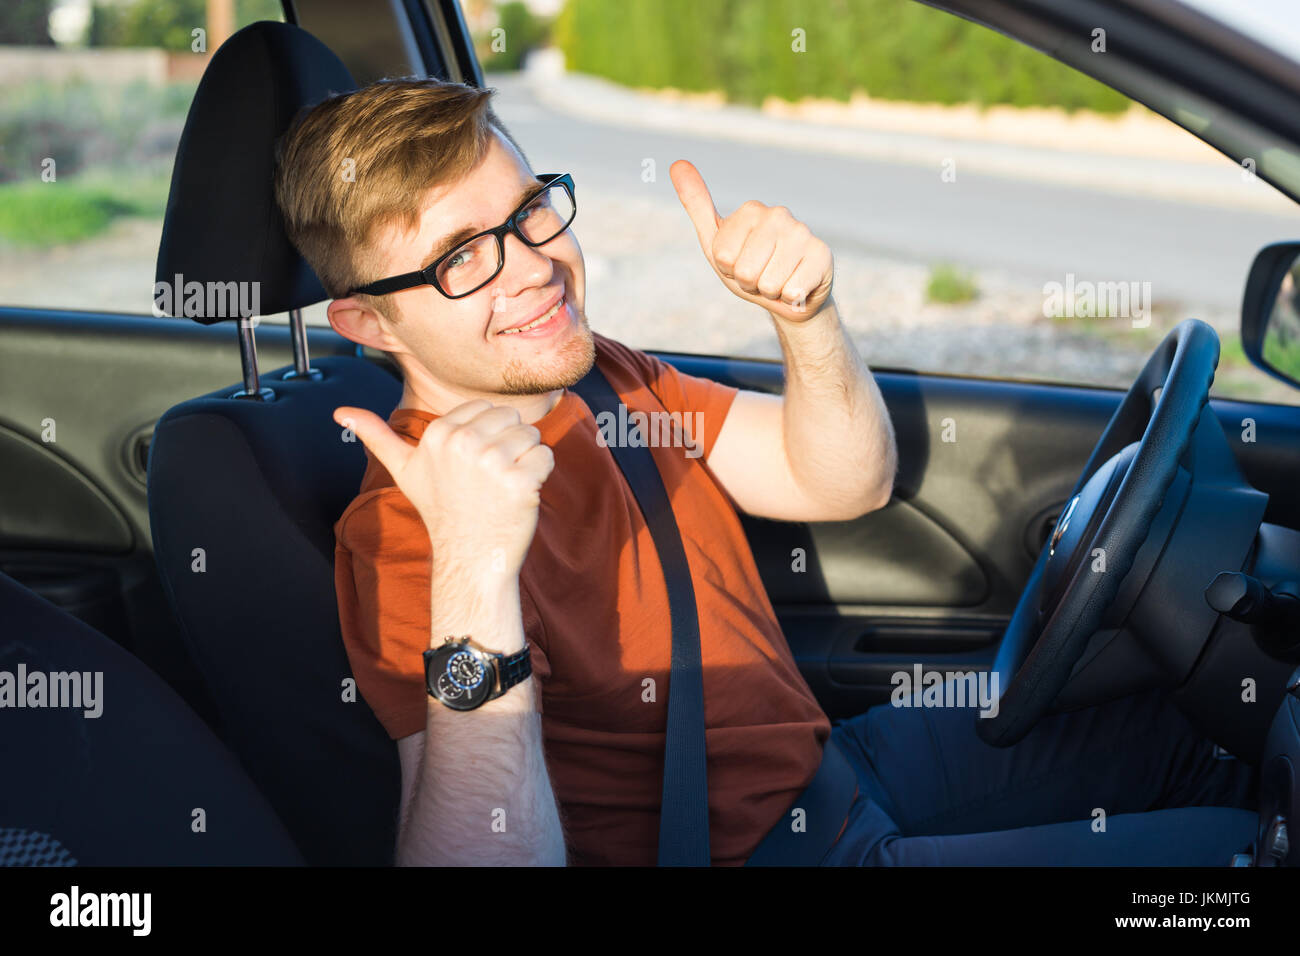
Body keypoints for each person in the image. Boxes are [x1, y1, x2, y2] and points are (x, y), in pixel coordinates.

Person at [272, 77, 1256, 866]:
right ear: (366, 319)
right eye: (458, 260)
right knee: (1236, 860)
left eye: (530, 211)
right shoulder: (411, 535)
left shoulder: (604, 374)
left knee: (1193, 735)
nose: (532, 265)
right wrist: (476, 571)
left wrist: (804, 318)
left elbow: (840, 481)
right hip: (743, 849)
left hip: (833, 770)